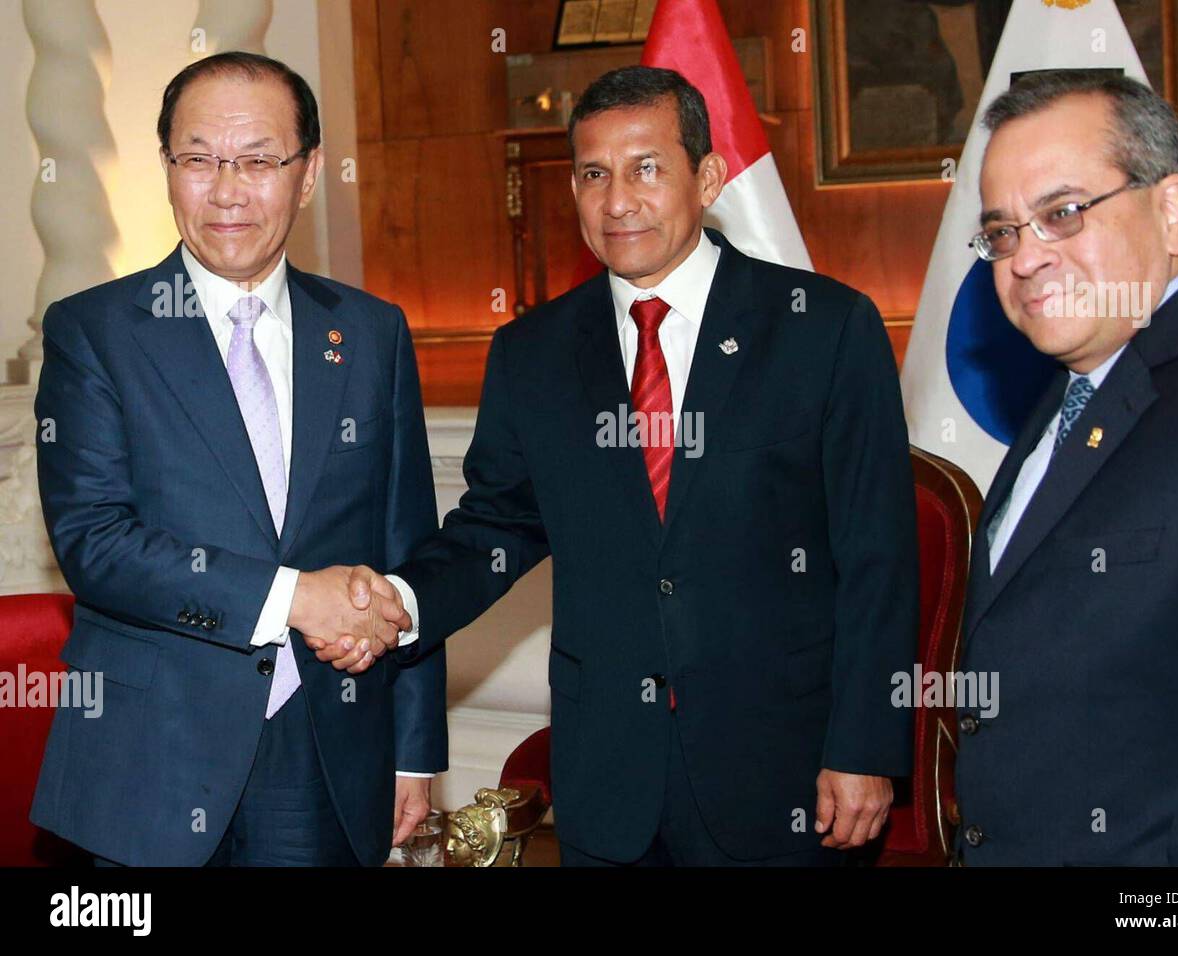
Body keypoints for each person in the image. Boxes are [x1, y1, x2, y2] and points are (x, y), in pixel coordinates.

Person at [329, 66, 919, 866]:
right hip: (609, 775)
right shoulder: (532, 352)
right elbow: (497, 526)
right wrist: (397, 598)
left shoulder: (823, 329)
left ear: (706, 177)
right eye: (594, 174)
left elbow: (878, 558)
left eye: (646, 168)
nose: (617, 201)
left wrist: (865, 746)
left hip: (783, 771)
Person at [30, 52, 445, 866]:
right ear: (167, 168)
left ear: (309, 172)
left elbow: (409, 550)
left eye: (258, 160)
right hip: (153, 756)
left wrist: (414, 747)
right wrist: (293, 598)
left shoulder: (370, 333)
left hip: (327, 752)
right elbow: (95, 543)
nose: (227, 191)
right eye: (199, 160)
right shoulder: (97, 331)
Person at [954, 70, 1178, 865]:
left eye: (1063, 214)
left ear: (1172, 209)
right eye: (1002, 231)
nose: (1024, 257)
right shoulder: (1065, 397)